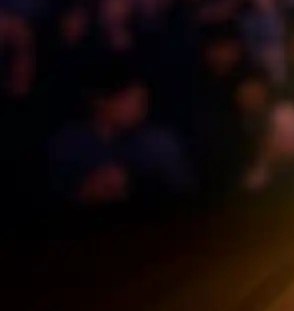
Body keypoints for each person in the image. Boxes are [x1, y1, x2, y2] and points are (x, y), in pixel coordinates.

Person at [49, 68, 195, 207]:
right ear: (99, 100)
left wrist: (135, 186)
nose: (139, 107)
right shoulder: (67, 145)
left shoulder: (159, 144)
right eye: (129, 99)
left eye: (143, 100)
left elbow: (184, 195)